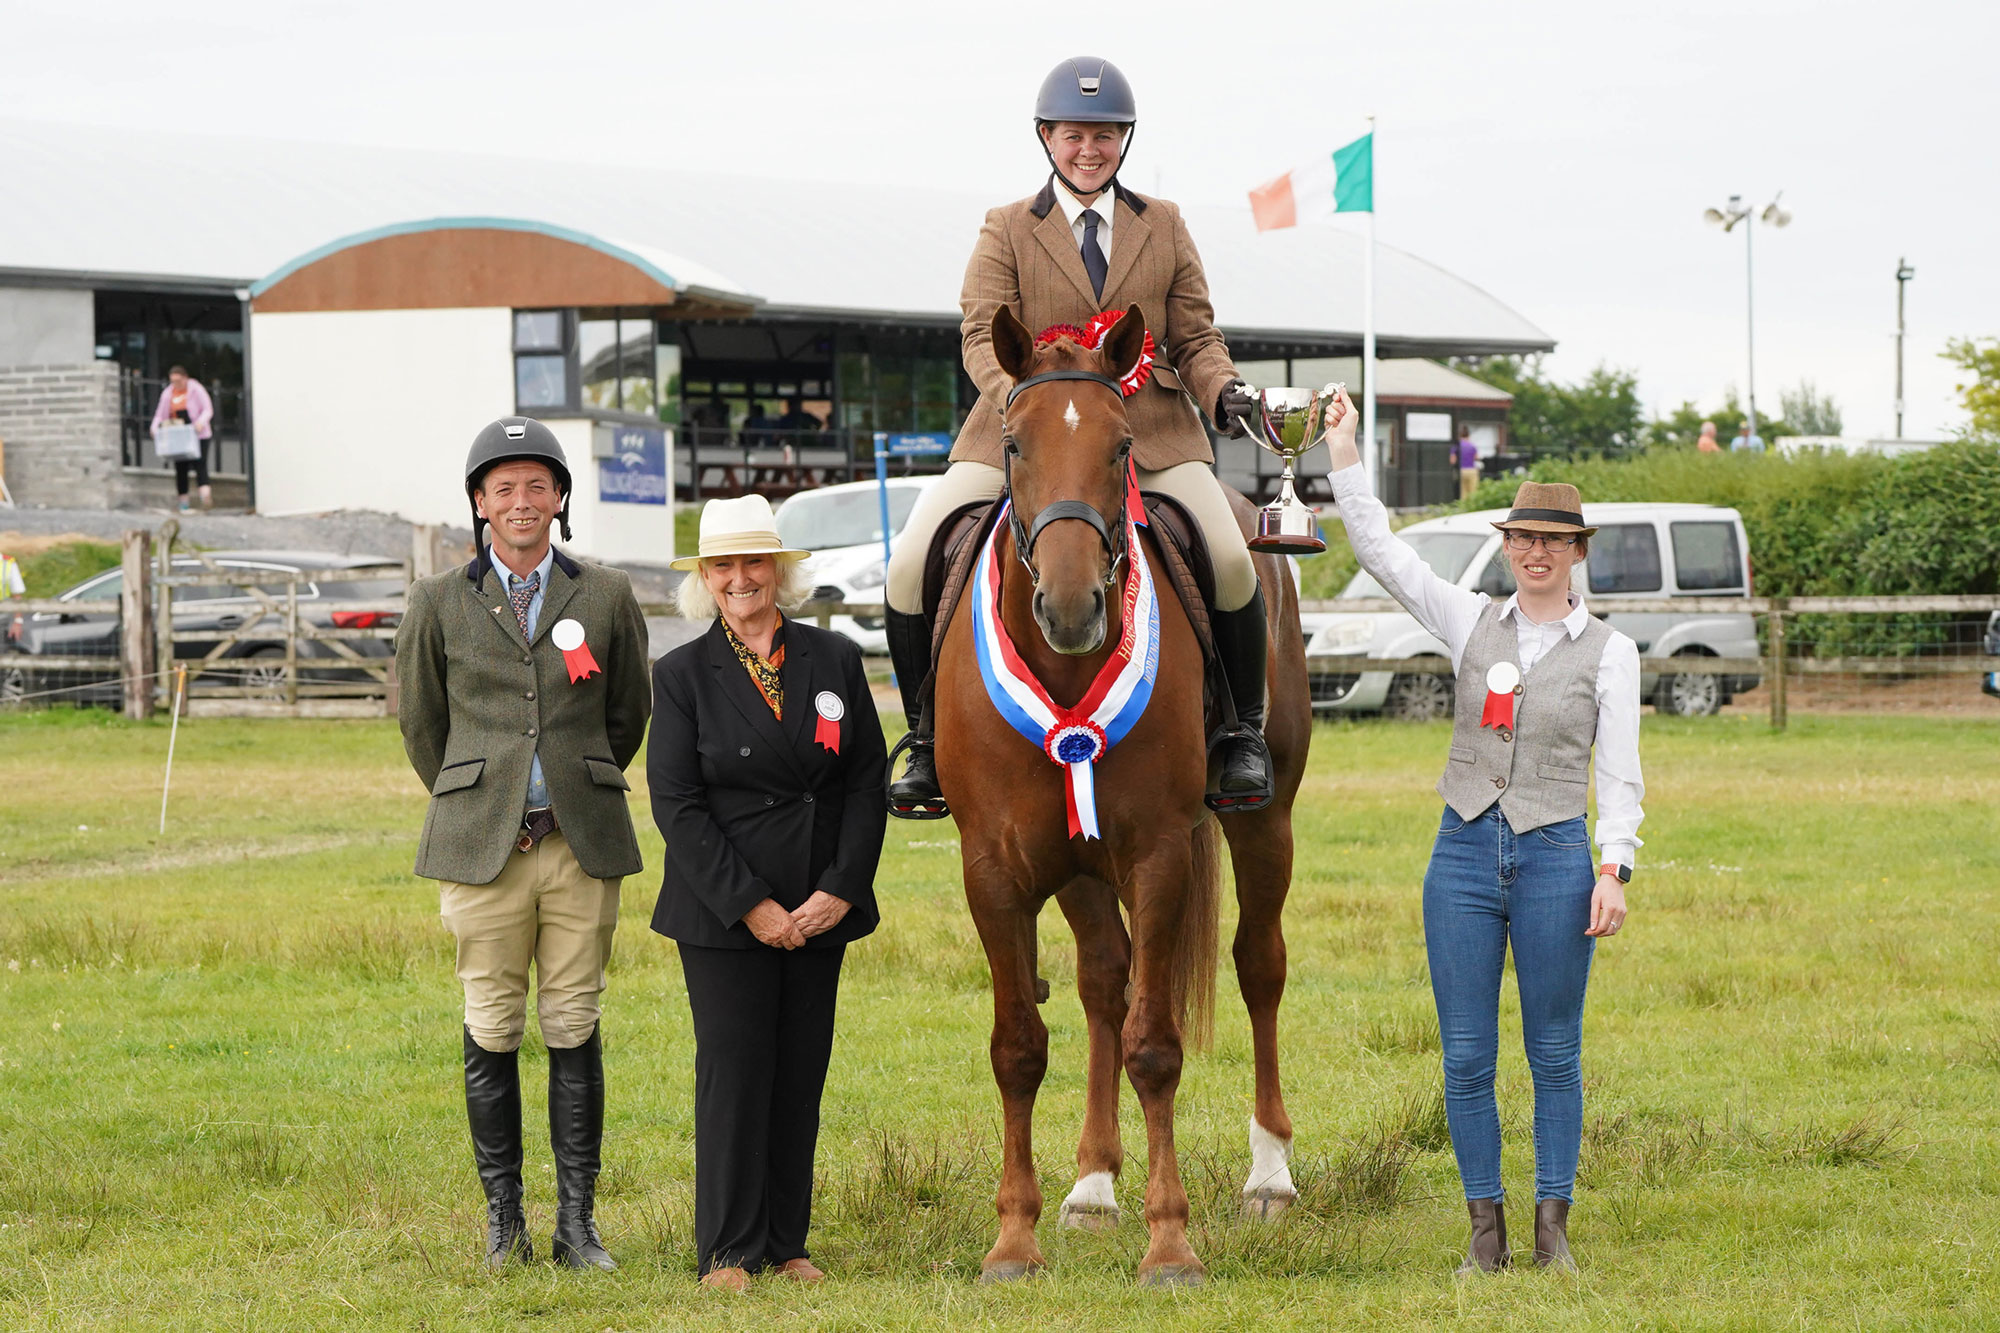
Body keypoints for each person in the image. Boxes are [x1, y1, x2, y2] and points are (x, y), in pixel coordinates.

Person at [882, 55, 1272, 818]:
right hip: (1021, 437)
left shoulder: (1163, 224)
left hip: (1148, 433)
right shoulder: (1005, 227)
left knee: (1231, 559)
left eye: (1104, 136)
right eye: (1073, 136)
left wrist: (1223, 391)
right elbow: (977, 336)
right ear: (1045, 138)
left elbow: (1194, 335)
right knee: (907, 563)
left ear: (1124, 139)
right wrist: (1019, 406)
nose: (1088, 150)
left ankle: (1240, 731)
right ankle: (926, 741)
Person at [1321, 386, 1642, 1276]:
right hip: (1460, 852)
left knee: (1553, 1051)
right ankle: (1483, 1234)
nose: (1537, 553)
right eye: (1523, 538)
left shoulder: (1612, 651)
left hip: (1552, 857)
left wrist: (1612, 868)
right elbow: (1384, 554)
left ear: (1577, 553)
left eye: (1554, 541)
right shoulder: (1468, 618)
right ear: (1506, 546)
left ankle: (1553, 1231)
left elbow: (1618, 775)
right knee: (1465, 1054)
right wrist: (1344, 450)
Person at [395, 417, 651, 1272]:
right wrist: (484, 795)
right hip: (482, 846)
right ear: (479, 502)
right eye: (503, 487)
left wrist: (574, 784)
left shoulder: (607, 594)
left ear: (560, 498)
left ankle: (577, 1226)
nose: (521, 502)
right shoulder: (437, 600)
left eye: (537, 485)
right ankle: (505, 1222)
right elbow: (424, 724)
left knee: (574, 1020)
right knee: (493, 1022)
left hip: (579, 842)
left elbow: (629, 716)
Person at [649, 494, 887, 1293]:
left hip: (818, 905)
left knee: (798, 1072)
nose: (740, 578)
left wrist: (840, 891)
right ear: (706, 579)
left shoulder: (835, 659)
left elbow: (864, 782)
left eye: (755, 562)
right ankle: (727, 1249)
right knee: (734, 1072)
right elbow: (677, 804)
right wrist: (752, 903)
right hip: (725, 911)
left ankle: (787, 1241)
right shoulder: (680, 675)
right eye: (724, 566)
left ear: (779, 570)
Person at [150, 366, 215, 512]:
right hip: (178, 435)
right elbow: (160, 414)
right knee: (181, 467)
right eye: (173, 381)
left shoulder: (196, 389)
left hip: (198, 434)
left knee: (200, 464)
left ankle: (205, 498)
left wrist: (200, 422)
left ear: (185, 378)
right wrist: (154, 428)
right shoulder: (168, 393)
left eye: (178, 381)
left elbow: (207, 409)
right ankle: (183, 503)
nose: (176, 384)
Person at [1456, 424, 1481, 500]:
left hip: (1461, 470)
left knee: (1463, 492)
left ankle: (1464, 507)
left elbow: (1452, 460)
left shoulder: (1457, 446)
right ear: (1468, 435)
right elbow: (1477, 457)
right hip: (1471, 470)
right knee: (1473, 491)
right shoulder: (1472, 446)